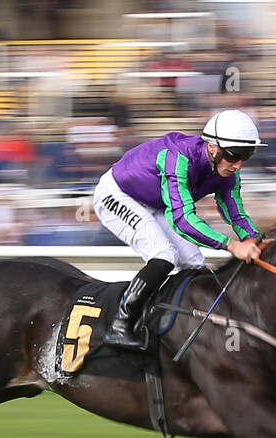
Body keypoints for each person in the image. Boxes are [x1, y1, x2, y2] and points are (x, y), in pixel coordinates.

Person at [93, 109, 265, 348]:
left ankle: (172, 324)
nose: (238, 165)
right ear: (213, 147)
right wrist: (231, 245)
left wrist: (254, 239)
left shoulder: (228, 172)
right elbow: (182, 219)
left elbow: (235, 210)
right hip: (118, 195)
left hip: (157, 203)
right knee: (164, 255)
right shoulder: (179, 158)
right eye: (234, 156)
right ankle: (120, 324)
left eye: (246, 156)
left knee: (195, 265)